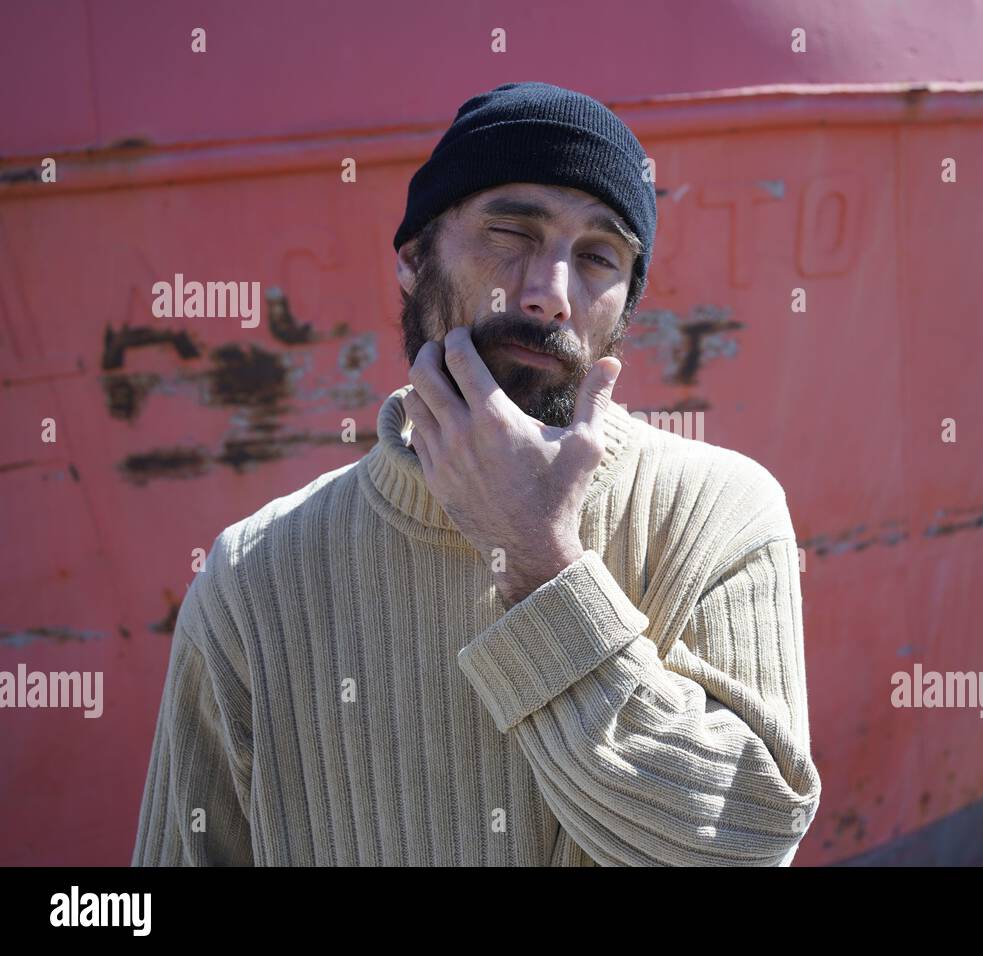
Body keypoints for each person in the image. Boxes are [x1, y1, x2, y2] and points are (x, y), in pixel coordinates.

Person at [131, 81, 820, 866]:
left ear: (626, 308)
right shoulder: (252, 577)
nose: (549, 295)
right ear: (412, 259)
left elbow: (747, 844)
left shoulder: (721, 514)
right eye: (508, 231)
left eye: (598, 257)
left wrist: (537, 558)